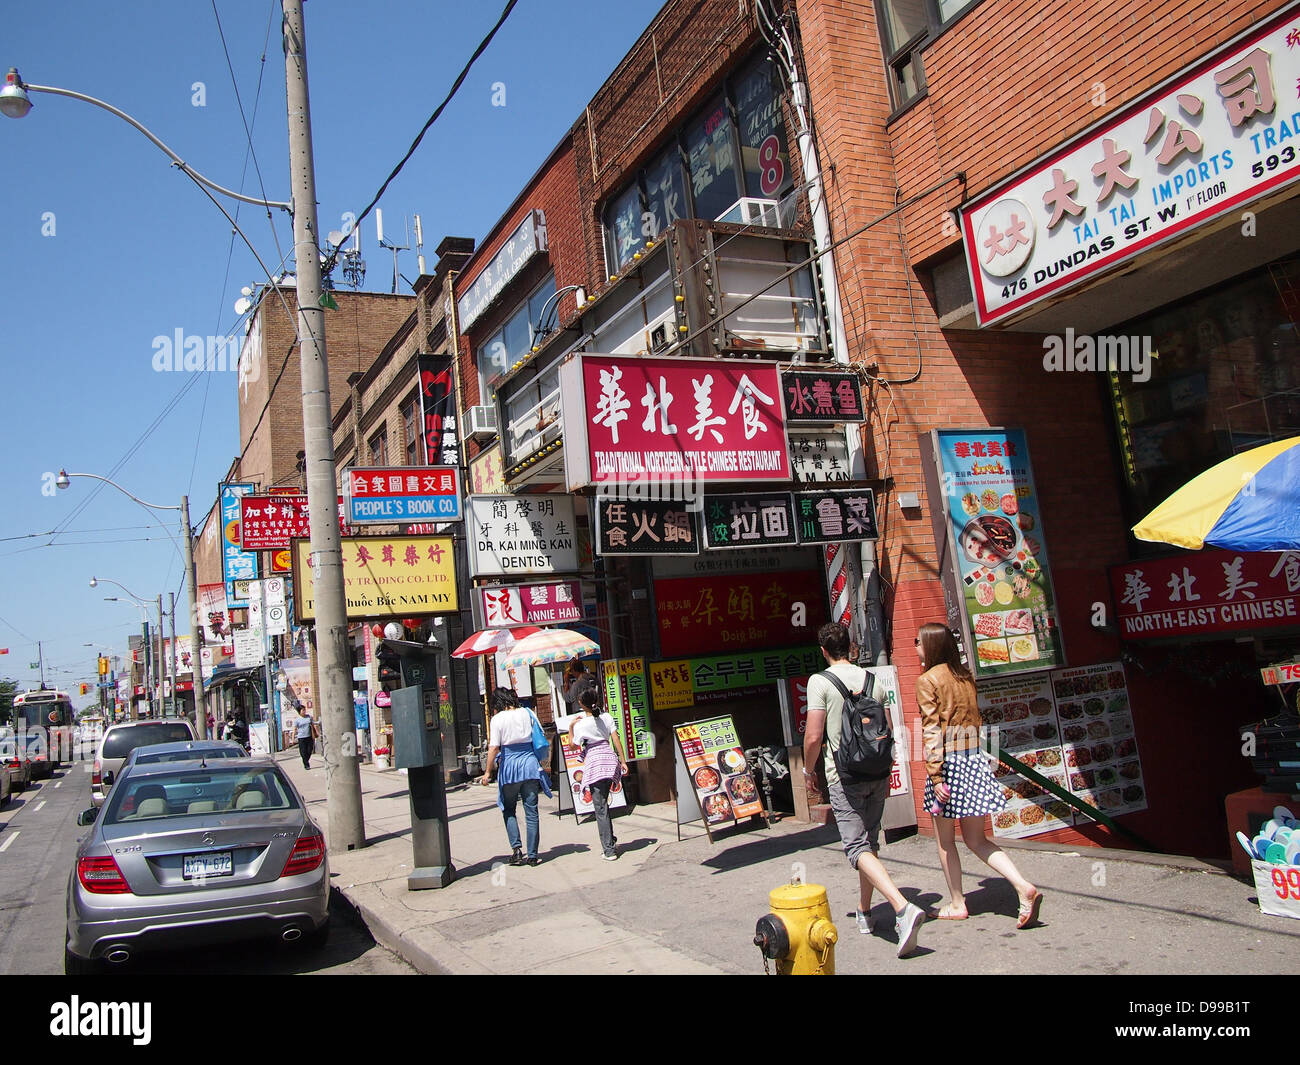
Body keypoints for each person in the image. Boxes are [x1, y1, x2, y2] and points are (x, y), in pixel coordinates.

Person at [804, 621, 927, 958]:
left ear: (824, 651)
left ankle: (902, 908)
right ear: (852, 647)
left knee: (856, 848)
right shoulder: (873, 680)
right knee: (870, 844)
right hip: (878, 770)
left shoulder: (820, 682)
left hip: (844, 776)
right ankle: (864, 911)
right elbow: (885, 729)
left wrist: (806, 770)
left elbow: (814, 735)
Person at [915, 622, 1043, 928]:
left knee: (946, 841)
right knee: (977, 839)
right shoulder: (964, 677)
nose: (915, 647)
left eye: (918, 642)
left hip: (947, 765)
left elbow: (931, 730)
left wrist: (935, 777)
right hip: (972, 760)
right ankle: (1021, 885)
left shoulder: (927, 680)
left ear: (931, 646)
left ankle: (958, 902)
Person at [479, 687, 552, 866]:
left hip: (510, 765)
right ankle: (533, 855)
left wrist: (488, 772)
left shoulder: (497, 720)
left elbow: (494, 747)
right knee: (531, 811)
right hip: (530, 764)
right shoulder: (528, 713)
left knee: (508, 807)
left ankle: (517, 850)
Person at [570, 684, 629, 860]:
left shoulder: (581, 725)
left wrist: (571, 727)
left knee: (600, 808)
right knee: (604, 804)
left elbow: (573, 746)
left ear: (581, 704)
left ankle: (609, 850)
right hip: (610, 760)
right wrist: (623, 760)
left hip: (595, 764)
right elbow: (616, 738)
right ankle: (609, 838)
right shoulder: (606, 717)